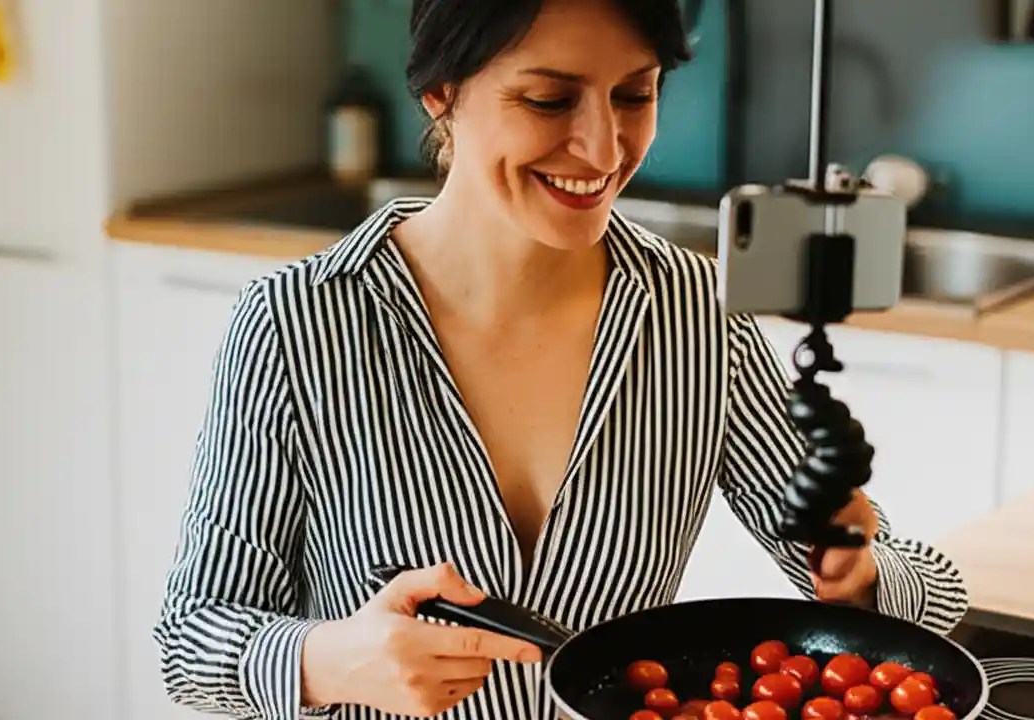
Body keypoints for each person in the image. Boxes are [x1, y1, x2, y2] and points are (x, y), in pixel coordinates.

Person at [152, 1, 969, 718]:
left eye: (635, 94)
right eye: (547, 99)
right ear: (442, 92)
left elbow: (921, 586)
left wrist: (856, 573)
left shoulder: (695, 315)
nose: (603, 147)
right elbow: (191, 638)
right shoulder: (300, 320)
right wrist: (322, 662)